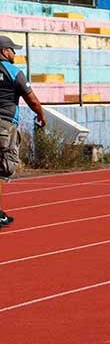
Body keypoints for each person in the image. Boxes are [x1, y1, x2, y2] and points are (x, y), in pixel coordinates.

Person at [0, 35, 47, 228]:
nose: (14, 53)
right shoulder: (13, 72)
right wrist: (41, 116)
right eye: (12, 50)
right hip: (4, 125)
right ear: (4, 51)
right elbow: (33, 101)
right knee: (2, 169)